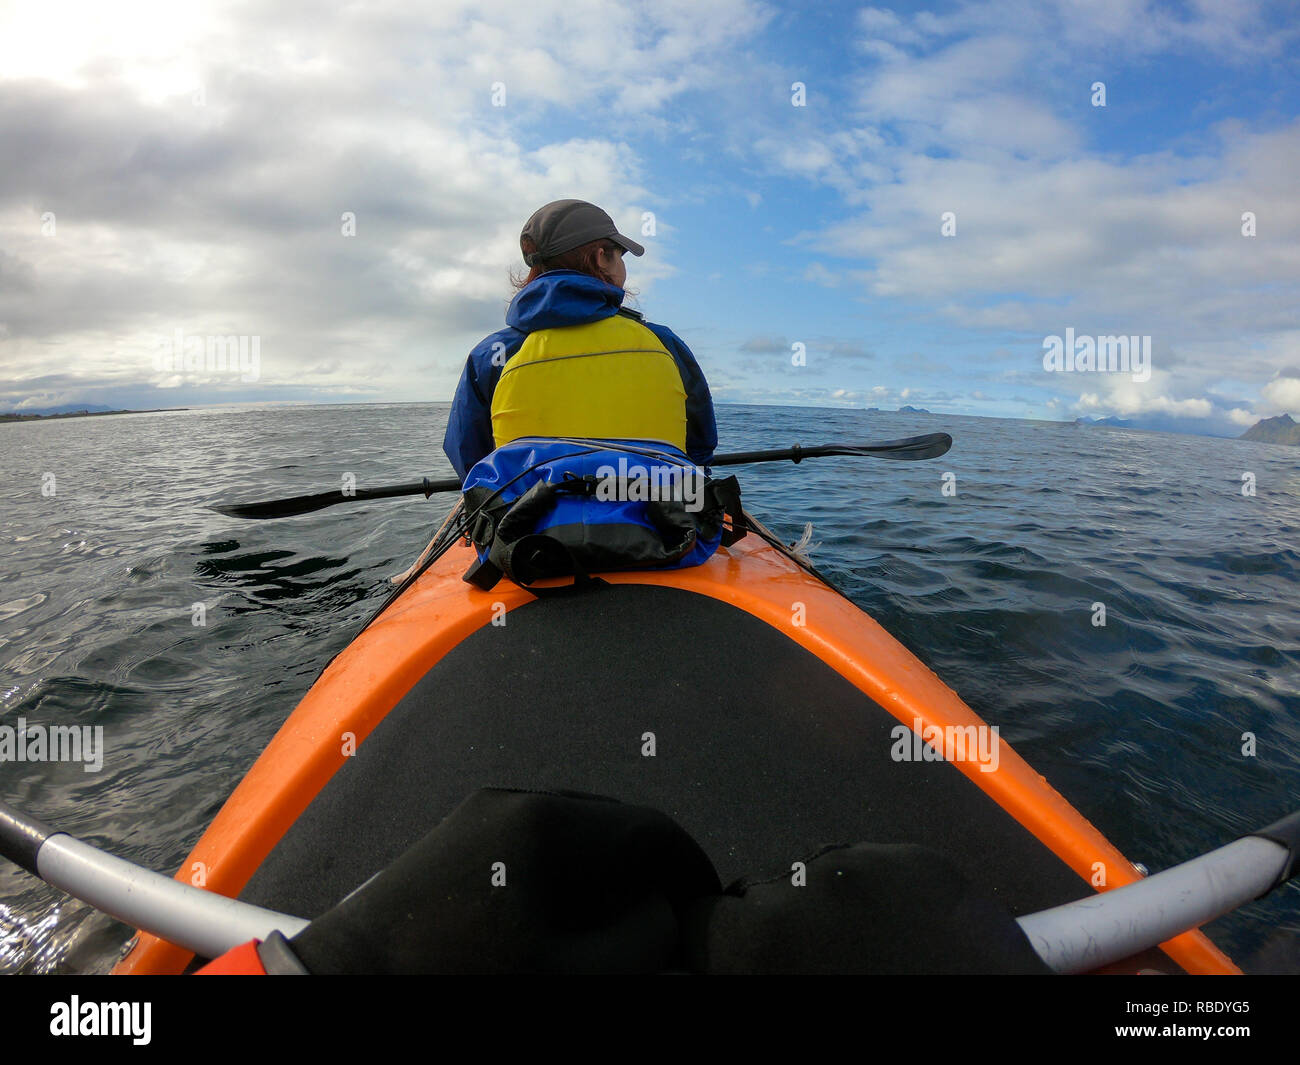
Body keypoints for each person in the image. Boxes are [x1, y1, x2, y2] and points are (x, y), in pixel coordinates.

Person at [443, 199, 717, 480]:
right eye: (620, 255)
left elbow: (469, 459)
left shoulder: (492, 354)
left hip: (527, 520)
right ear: (601, 257)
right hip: (658, 518)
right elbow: (699, 447)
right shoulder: (664, 343)